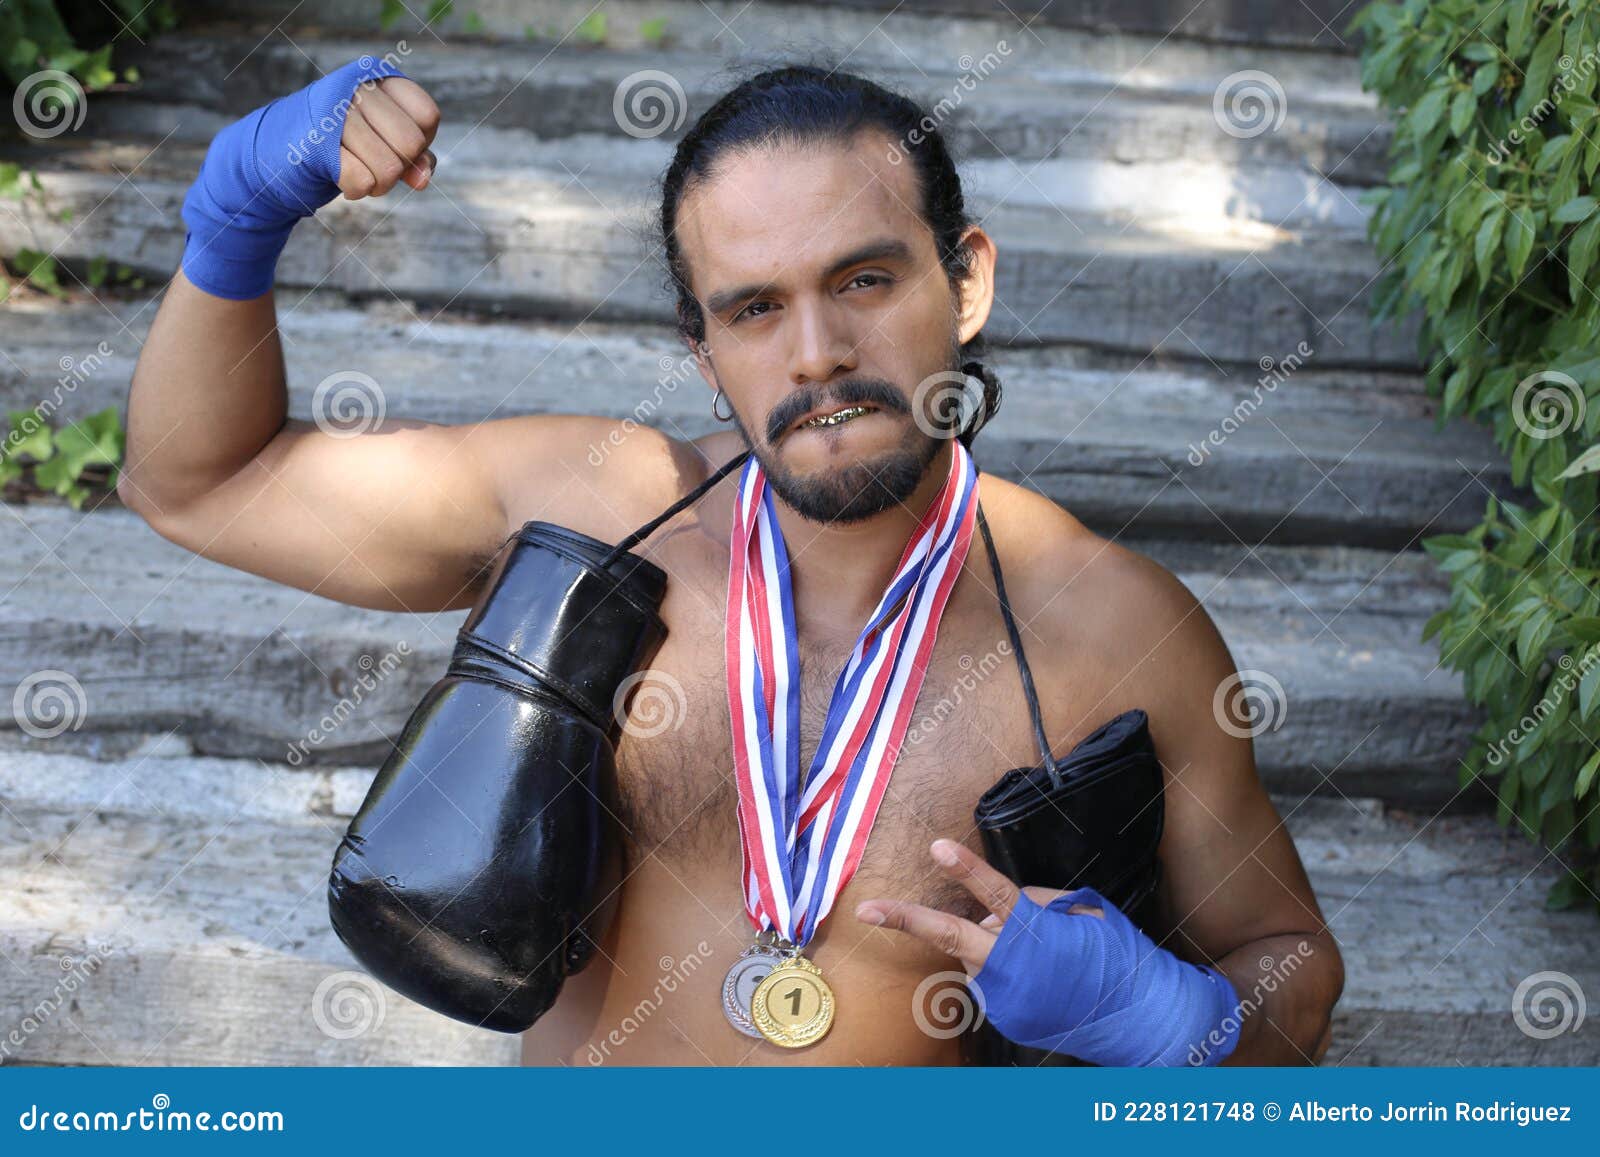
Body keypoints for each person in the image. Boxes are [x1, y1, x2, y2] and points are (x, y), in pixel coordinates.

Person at [118, 56, 1343, 1066]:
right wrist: (236, 215)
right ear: (703, 350)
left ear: (963, 279)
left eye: (863, 279)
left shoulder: (1112, 629)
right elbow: (196, 480)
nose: (815, 351)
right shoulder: (597, 509)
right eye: (753, 308)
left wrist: (1180, 1019)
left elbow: (1291, 964)